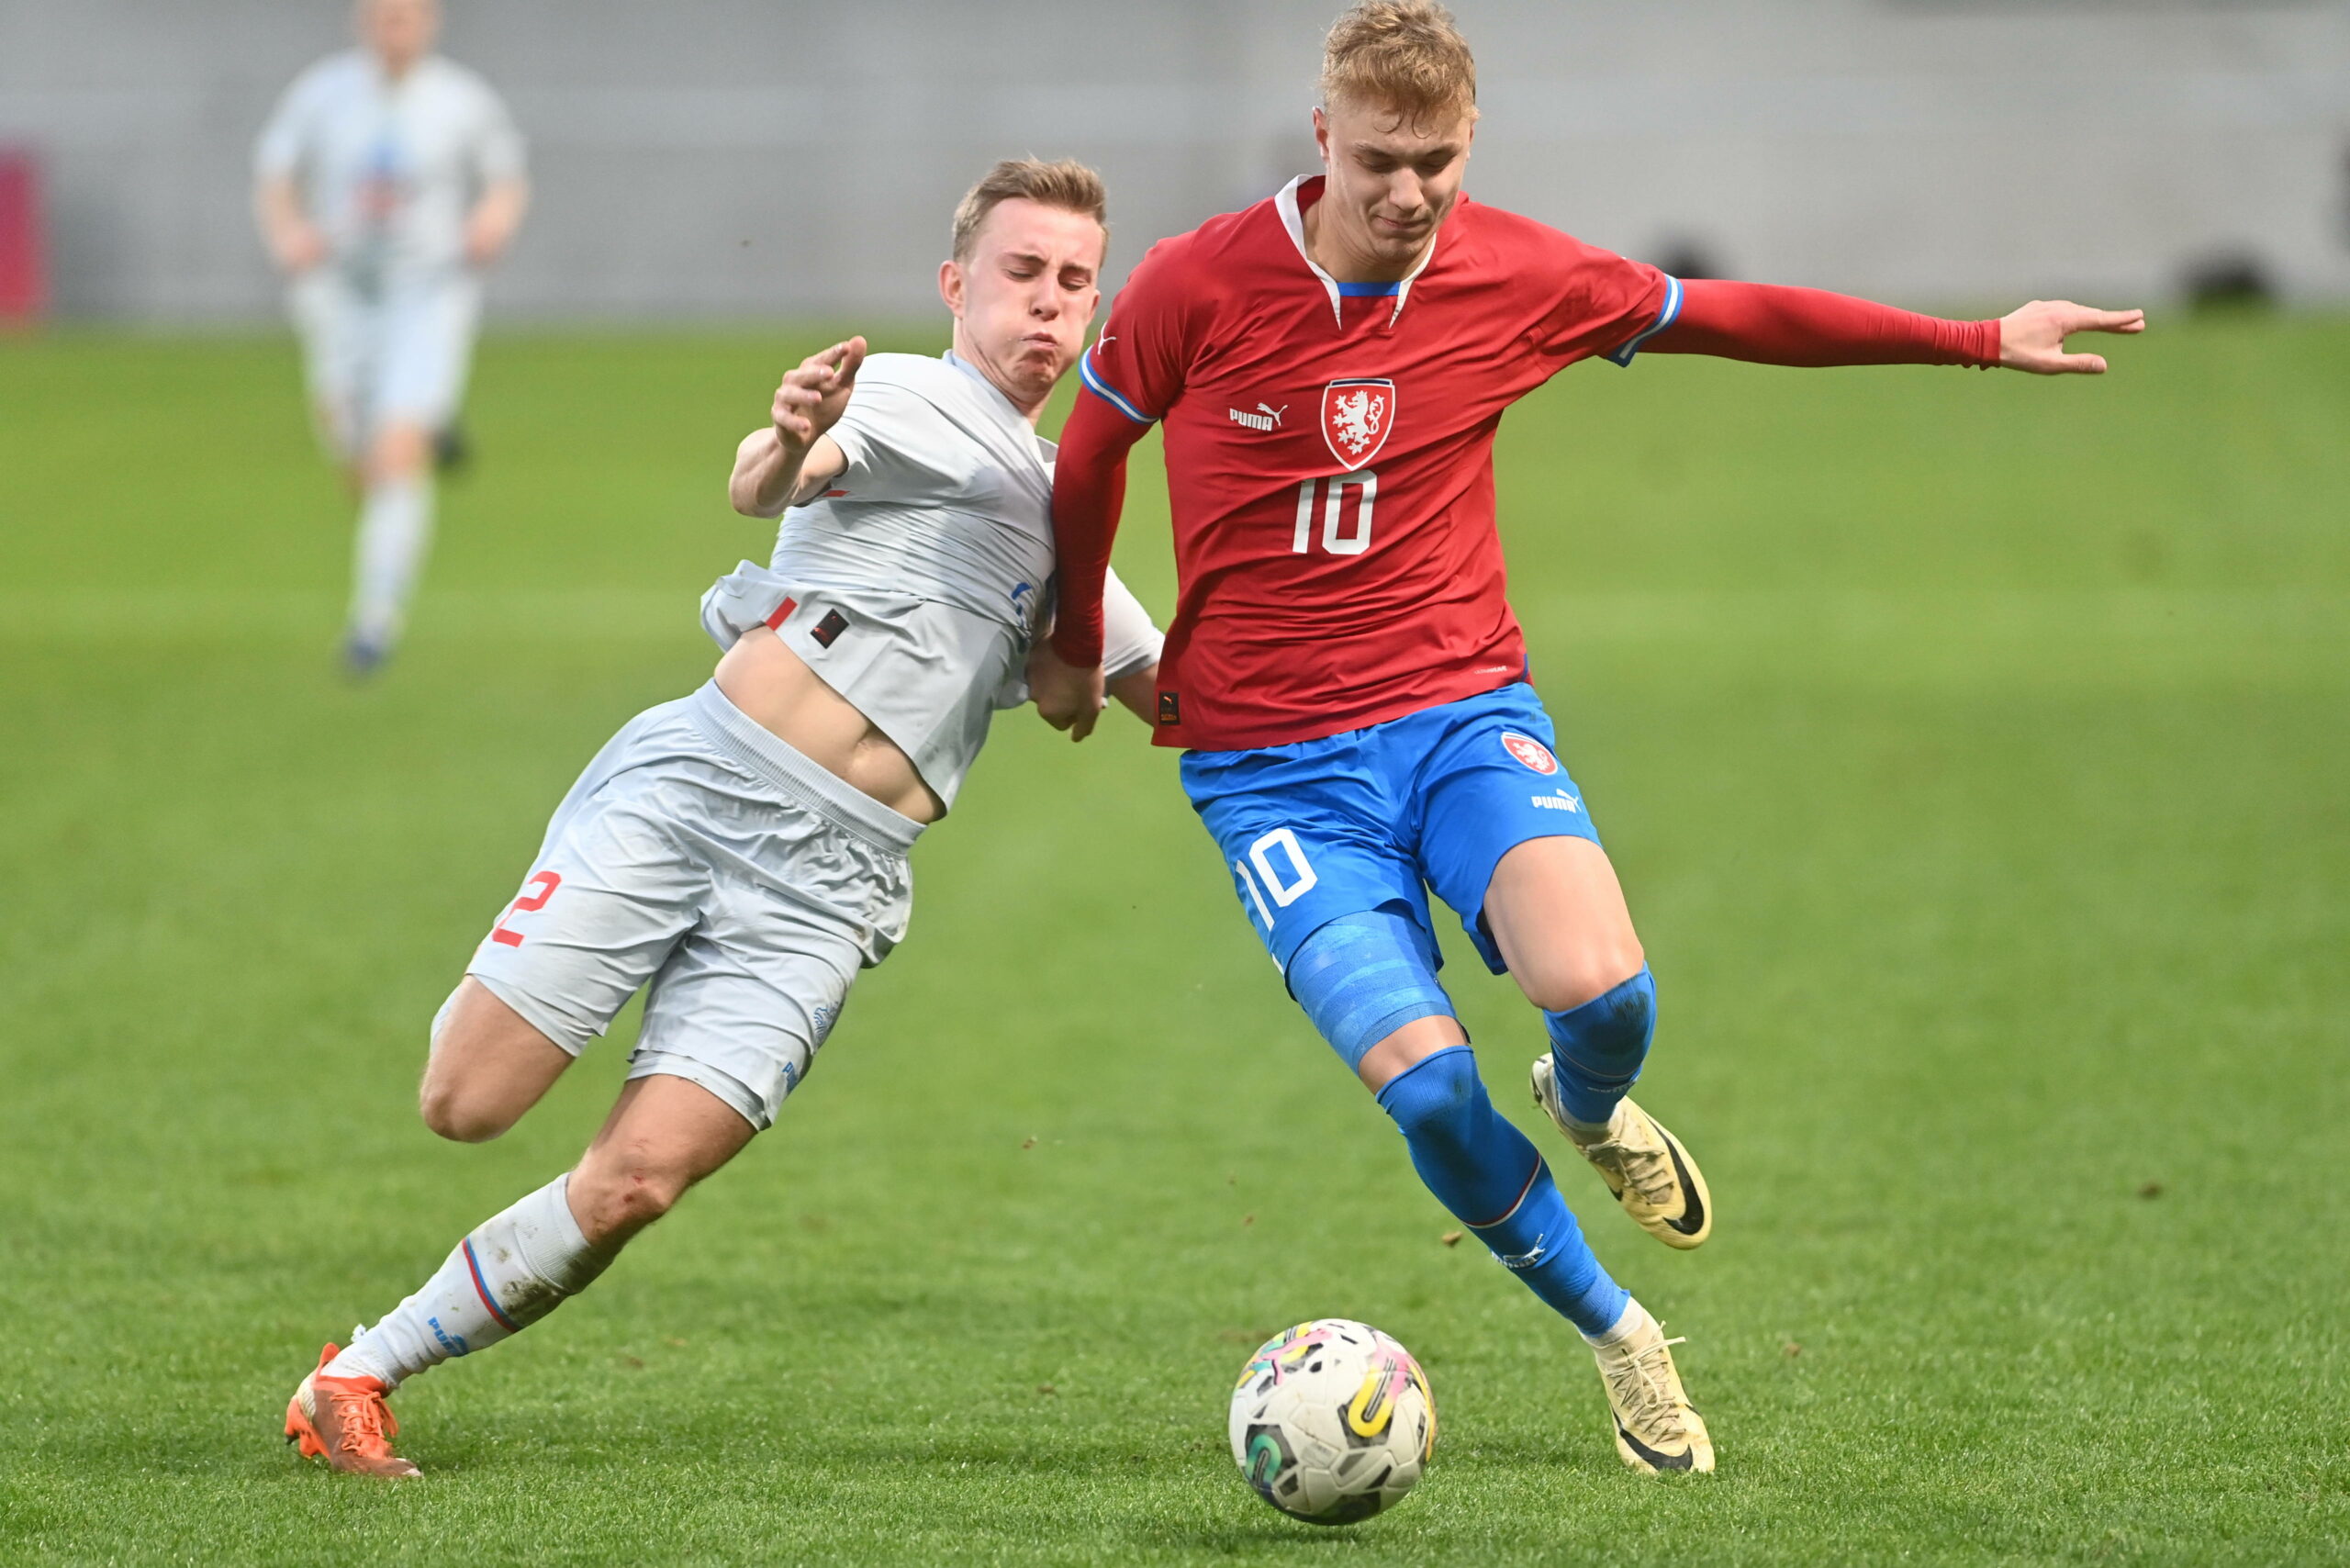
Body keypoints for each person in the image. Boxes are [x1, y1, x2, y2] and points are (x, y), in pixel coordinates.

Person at [1036, 1, 2144, 1476]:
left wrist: (1976, 341)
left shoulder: (1518, 273)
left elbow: (1727, 318)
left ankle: (1590, 1102)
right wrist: (1069, 646)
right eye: (1376, 159)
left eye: (1434, 159)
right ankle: (1624, 1337)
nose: (1407, 192)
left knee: (1607, 994)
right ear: (1322, 139)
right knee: (1430, 1089)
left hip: (1457, 713)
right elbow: (1093, 449)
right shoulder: (1197, 283)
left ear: (1469, 136)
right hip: (1272, 770)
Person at [284, 159, 1165, 1476]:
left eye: (1074, 283)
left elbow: (1199, 702)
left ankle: (357, 1374)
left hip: (834, 887)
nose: (1047, 306)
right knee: (463, 1103)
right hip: (702, 793)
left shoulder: (1065, 515)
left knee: (638, 1183)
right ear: (956, 286)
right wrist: (796, 431)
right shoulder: (917, 399)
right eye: (1021, 273)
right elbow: (779, 476)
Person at [252, 0, 528, 675]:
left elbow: (506, 179)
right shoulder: (323, 92)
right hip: (339, 293)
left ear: (429, 22)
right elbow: (275, 175)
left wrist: (491, 223)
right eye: (381, 17)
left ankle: (374, 622)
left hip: (426, 293)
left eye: (404, 17)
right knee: (354, 452)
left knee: (394, 451)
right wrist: (288, 235)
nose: (392, 30)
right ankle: (425, 428)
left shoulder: (460, 98)